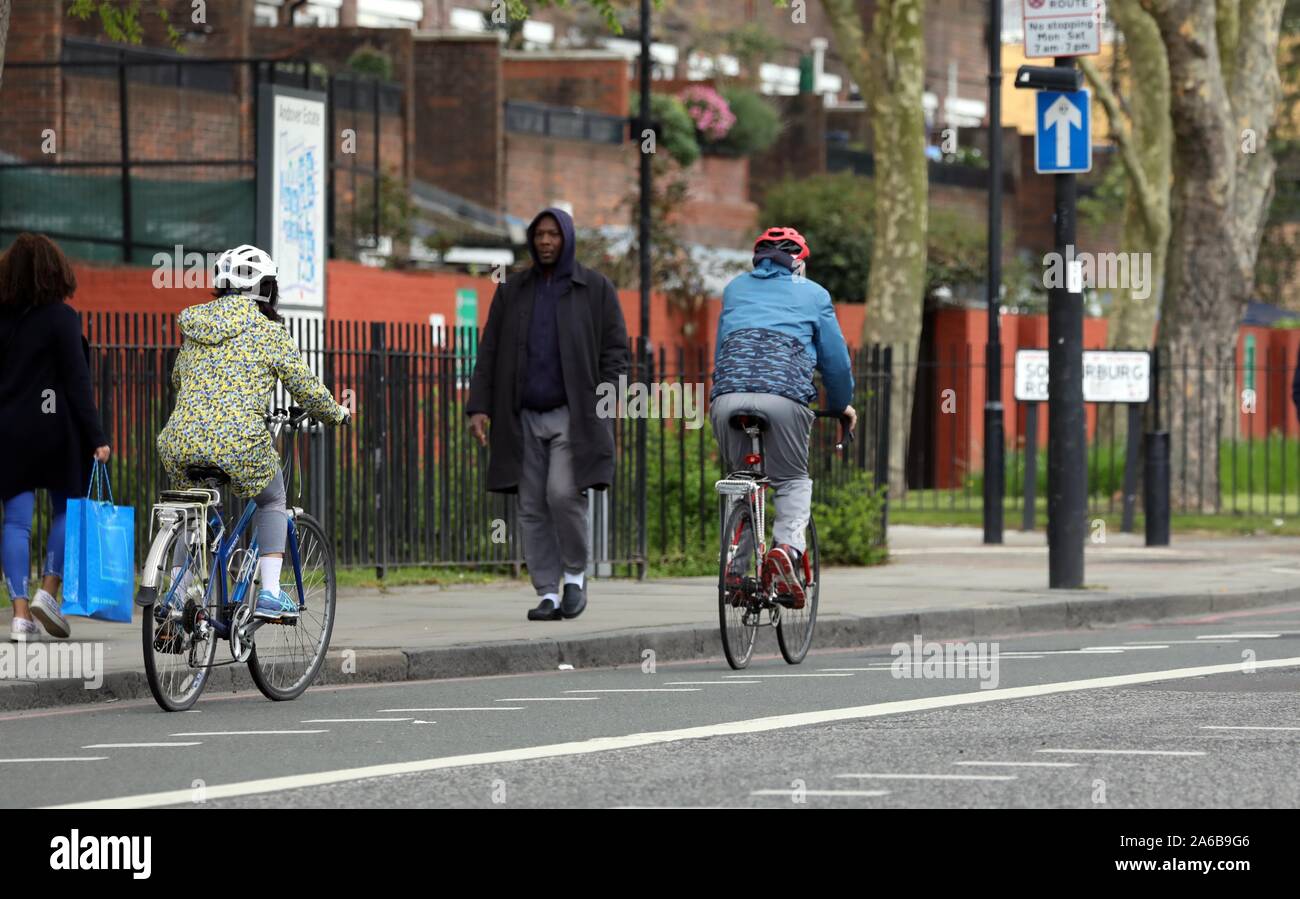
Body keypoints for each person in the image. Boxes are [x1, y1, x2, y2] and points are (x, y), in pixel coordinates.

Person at [158, 244, 349, 621]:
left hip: (178, 440)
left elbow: (177, 379)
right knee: (273, 499)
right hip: (239, 444)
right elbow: (307, 388)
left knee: (194, 509)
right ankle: (272, 594)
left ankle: (176, 596)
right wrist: (337, 413)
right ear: (265, 288)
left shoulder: (196, 327)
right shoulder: (268, 333)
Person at [466, 208, 630, 622]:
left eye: (553, 234)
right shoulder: (513, 289)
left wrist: (607, 402)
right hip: (521, 417)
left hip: (573, 416)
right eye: (539, 234)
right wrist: (479, 407)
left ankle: (574, 576)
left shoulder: (594, 288)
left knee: (562, 493)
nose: (545, 241)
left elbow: (616, 353)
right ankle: (547, 592)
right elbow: (490, 351)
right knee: (531, 505)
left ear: (567, 238)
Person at [710, 226, 856, 606]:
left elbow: (722, 348)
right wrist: (841, 404)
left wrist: (723, 393)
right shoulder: (814, 294)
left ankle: (737, 572)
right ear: (800, 263)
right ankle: (786, 549)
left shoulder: (735, 290)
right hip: (783, 397)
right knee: (791, 480)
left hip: (728, 397)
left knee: (743, 480)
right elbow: (836, 364)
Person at [0, 234, 111, 643]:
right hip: (54, 427)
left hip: (9, 430)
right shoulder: (63, 319)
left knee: (15, 521)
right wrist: (96, 436)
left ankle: (18, 614)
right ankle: (48, 591)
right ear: (55, 272)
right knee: (68, 508)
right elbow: (77, 383)